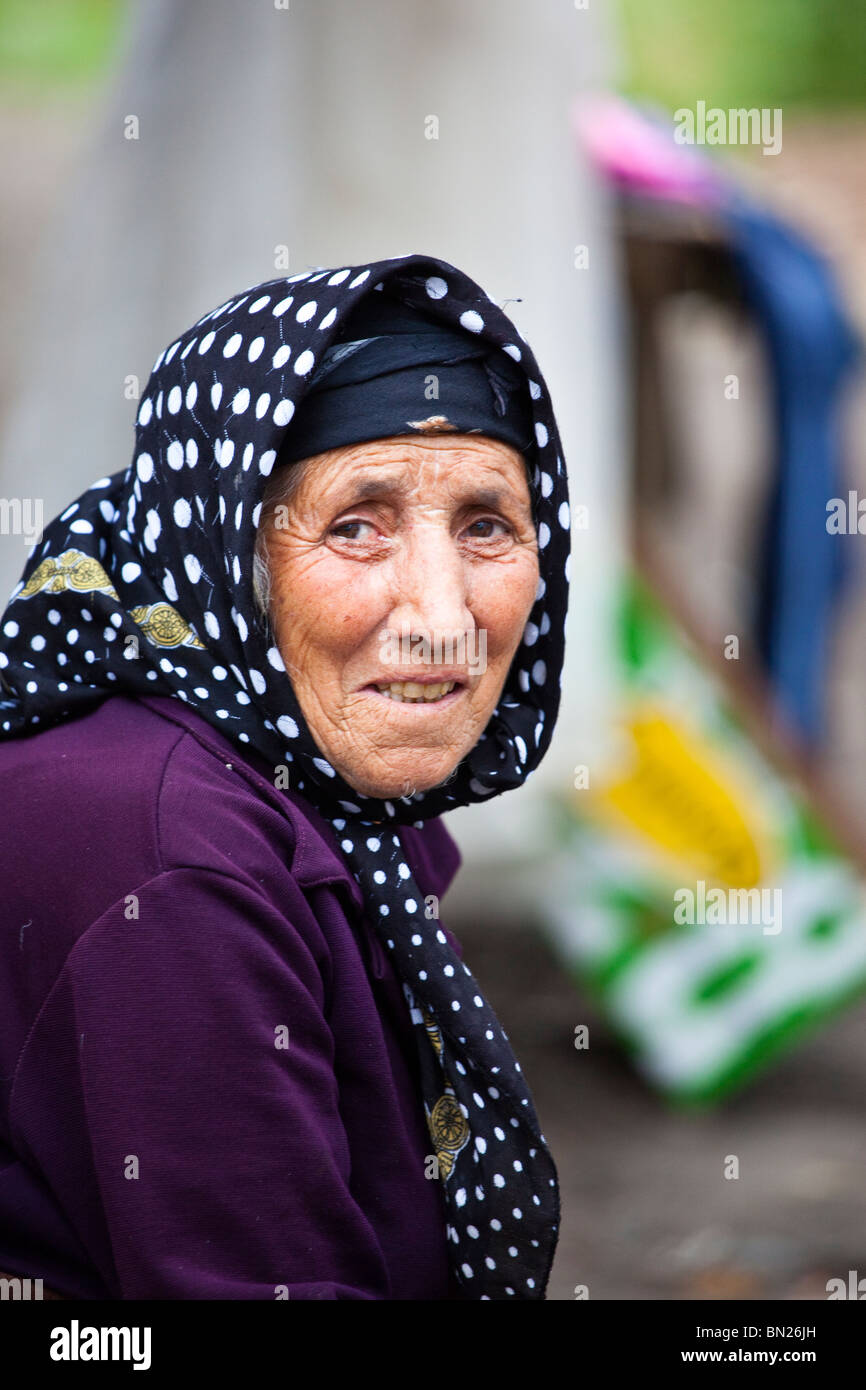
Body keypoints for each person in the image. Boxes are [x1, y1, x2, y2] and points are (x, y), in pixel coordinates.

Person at [0, 253, 570, 1300]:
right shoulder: (173, 864)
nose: (443, 621)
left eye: (486, 525)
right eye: (356, 525)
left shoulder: (309, 775)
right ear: (229, 553)